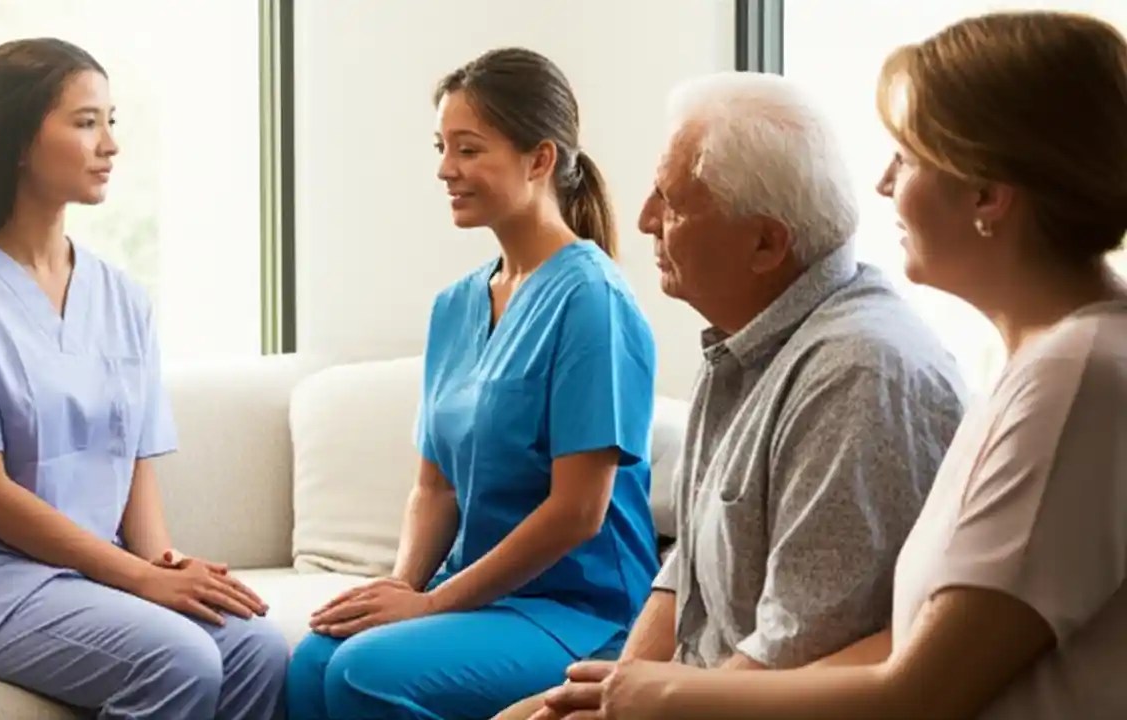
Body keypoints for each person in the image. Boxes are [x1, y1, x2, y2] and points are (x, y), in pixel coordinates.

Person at [539, 10, 1127, 720]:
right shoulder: (1047, 364)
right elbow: (902, 642)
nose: (882, 185)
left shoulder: (1075, 380)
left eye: (906, 157)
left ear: (987, 196)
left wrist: (662, 693)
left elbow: (920, 694)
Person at [500, 70, 967, 720]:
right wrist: (618, 692)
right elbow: (686, 570)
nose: (643, 220)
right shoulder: (746, 339)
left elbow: (795, 654)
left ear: (766, 243)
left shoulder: (858, 373)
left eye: (673, 201)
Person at [0, 38, 287, 718]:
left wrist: (163, 565)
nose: (110, 144)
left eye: (111, 120)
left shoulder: (122, 295)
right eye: (85, 122)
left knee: (258, 648)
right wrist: (135, 578)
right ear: (17, 140)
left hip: (91, 578)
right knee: (179, 656)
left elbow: (132, 462)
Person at [283, 47, 660, 719]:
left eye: (468, 149)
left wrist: (430, 605)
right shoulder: (455, 306)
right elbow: (434, 487)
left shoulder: (593, 301)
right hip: (481, 597)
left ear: (539, 159)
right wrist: (402, 583)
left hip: (577, 612)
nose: (444, 170)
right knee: (312, 663)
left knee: (364, 676)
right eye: (441, 147)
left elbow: (579, 512)